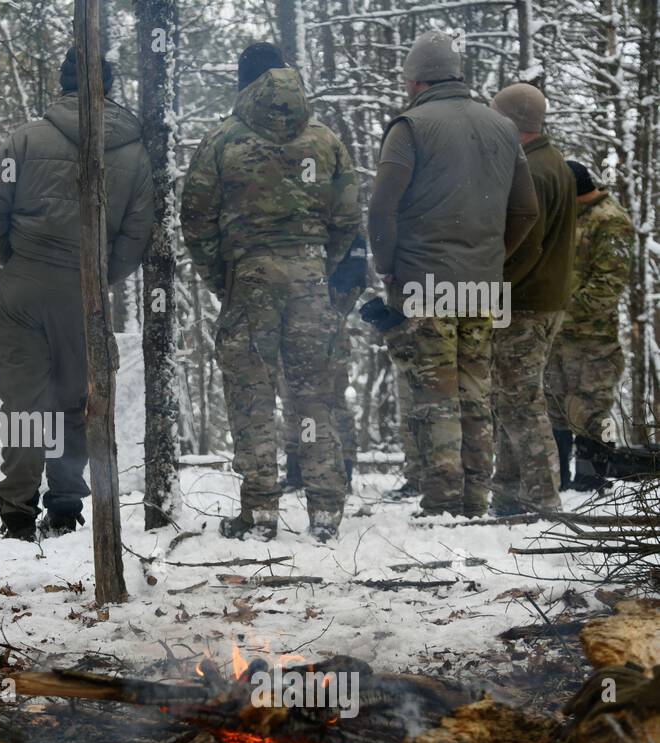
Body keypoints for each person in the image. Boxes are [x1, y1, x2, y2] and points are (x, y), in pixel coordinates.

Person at [0, 48, 154, 541]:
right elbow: (138, 233)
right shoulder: (135, 155)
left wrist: (15, 256)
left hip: (25, 285)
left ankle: (17, 514)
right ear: (109, 89)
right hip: (84, 290)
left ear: (63, 83)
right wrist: (99, 275)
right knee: (78, 396)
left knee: (27, 402)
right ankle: (68, 507)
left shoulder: (25, 140)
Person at [181, 42, 359, 542]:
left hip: (250, 277)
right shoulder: (326, 141)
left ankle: (259, 509)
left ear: (244, 82)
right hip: (311, 276)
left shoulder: (222, 139)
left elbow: (196, 219)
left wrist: (225, 277)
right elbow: (347, 220)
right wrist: (319, 262)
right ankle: (325, 509)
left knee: (252, 395)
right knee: (314, 395)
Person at [367, 31, 538, 518]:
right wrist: (492, 257)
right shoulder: (503, 127)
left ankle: (443, 501)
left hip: (424, 282)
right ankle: (475, 499)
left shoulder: (410, 126)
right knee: (474, 388)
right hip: (484, 285)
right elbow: (526, 211)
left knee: (437, 390)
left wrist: (388, 269)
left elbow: (383, 209)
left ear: (415, 80)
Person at [490, 83, 577, 515]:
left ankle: (543, 497)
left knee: (521, 400)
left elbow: (525, 247)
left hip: (525, 301)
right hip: (540, 299)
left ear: (512, 123)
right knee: (510, 396)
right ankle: (507, 493)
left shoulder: (535, 170)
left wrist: (491, 288)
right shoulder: (550, 161)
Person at [546, 161, 634, 491]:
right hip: (559, 336)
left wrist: (562, 314)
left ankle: (592, 476)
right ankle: (560, 479)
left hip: (593, 339)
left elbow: (608, 286)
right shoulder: (569, 218)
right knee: (554, 404)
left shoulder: (611, 221)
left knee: (592, 407)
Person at [283, 235, 368, 494]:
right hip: (298, 304)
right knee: (294, 394)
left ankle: (341, 469)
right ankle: (298, 470)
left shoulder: (337, 212)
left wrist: (334, 298)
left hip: (324, 306)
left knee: (328, 395)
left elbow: (357, 268)